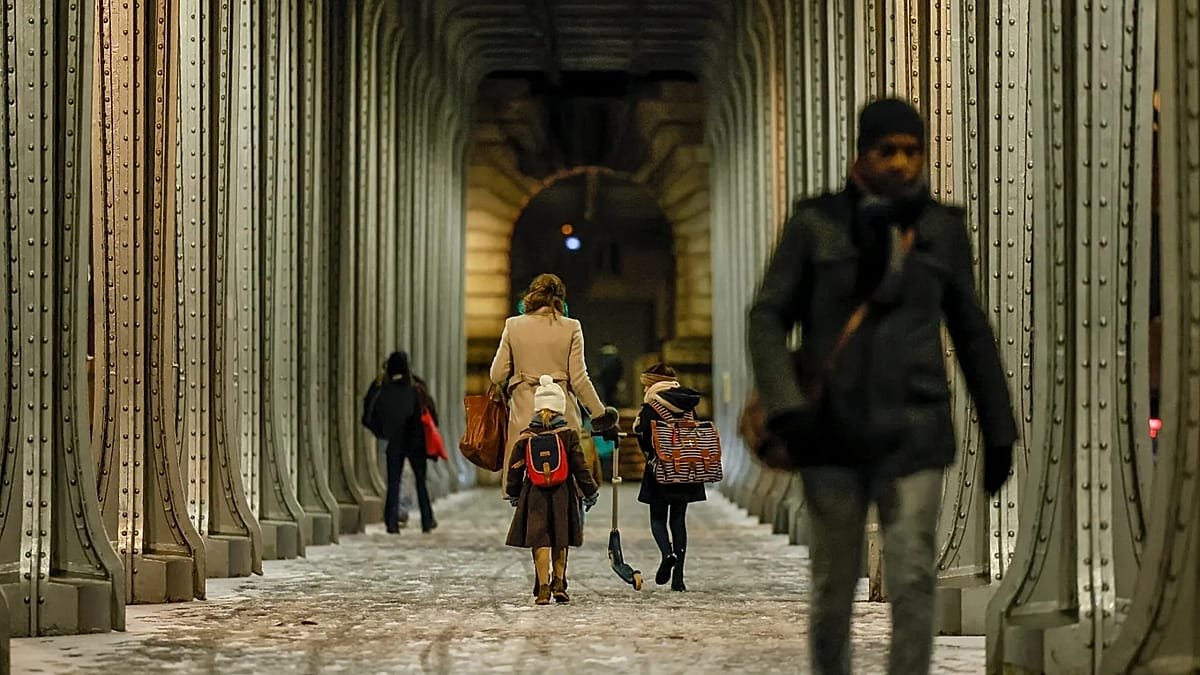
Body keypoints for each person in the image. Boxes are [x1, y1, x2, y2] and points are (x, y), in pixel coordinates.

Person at [747, 98, 1018, 675]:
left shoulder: (942, 231)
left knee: (916, 577)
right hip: (829, 434)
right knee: (833, 583)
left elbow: (971, 330)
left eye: (911, 150)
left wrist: (999, 427)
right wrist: (786, 408)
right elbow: (766, 316)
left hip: (914, 431)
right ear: (861, 154)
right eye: (886, 150)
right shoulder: (814, 224)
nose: (900, 162)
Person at [489, 273, 619, 491]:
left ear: (531, 295)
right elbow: (579, 379)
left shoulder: (513, 326)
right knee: (569, 482)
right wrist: (600, 415)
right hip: (562, 418)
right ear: (561, 298)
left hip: (525, 420)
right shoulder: (571, 327)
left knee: (522, 481)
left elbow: (496, 374)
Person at [504, 376, 599, 605]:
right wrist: (590, 491)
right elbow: (580, 467)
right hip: (562, 493)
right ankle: (559, 584)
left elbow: (515, 468)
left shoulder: (526, 436)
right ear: (560, 407)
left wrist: (514, 493)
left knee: (541, 540)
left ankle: (543, 588)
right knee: (560, 538)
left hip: (534, 493)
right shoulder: (568, 435)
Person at [633, 363, 705, 592]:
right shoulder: (688, 404)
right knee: (679, 520)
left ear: (652, 383)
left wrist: (650, 454)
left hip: (660, 468)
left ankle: (667, 553)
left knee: (657, 519)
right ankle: (679, 578)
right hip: (687, 468)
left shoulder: (651, 406)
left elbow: (643, 435)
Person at [368, 351, 437, 534]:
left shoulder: (382, 386)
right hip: (417, 442)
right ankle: (427, 520)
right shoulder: (416, 386)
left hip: (394, 441)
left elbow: (368, 413)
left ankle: (391, 523)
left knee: (393, 482)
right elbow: (432, 412)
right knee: (421, 482)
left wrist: (382, 433)